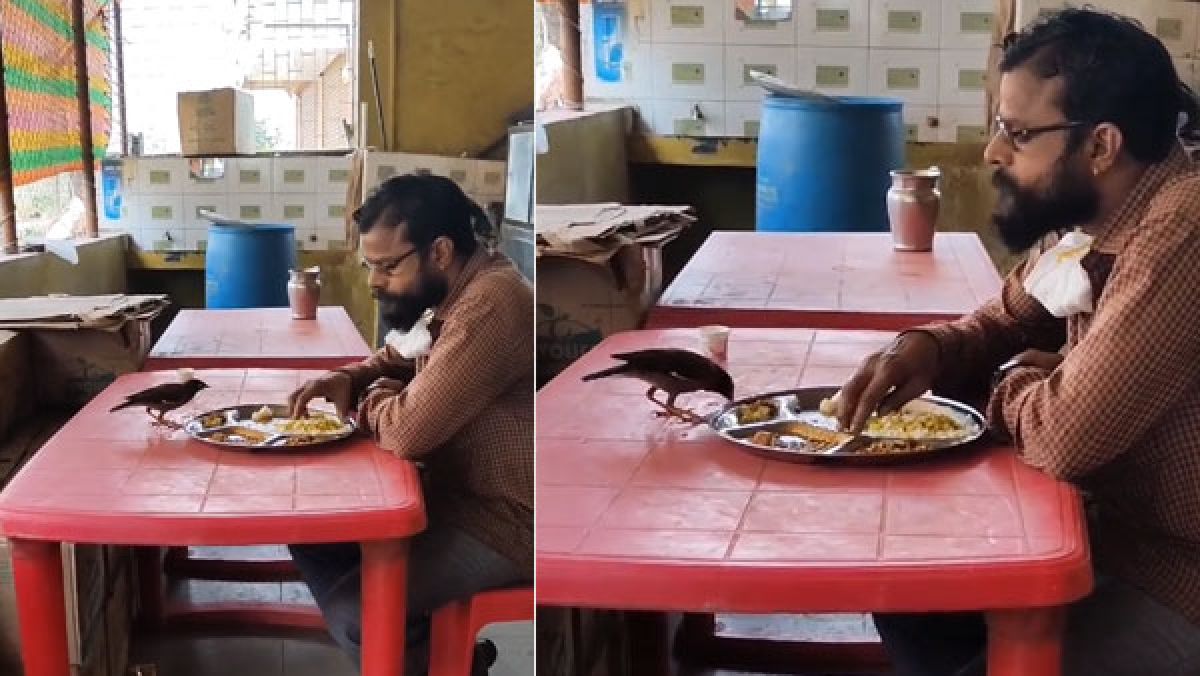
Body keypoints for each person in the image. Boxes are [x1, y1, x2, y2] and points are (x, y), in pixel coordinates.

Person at [832, 9, 1200, 676]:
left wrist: (1011, 384)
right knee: (906, 598)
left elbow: (1065, 435)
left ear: (1100, 146)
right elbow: (1000, 320)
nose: (993, 152)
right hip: (1106, 535)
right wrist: (931, 349)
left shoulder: (1182, 228)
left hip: (1178, 575)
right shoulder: (1098, 217)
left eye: (1017, 132)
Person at [286, 173, 533, 675]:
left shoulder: (489, 303)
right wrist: (351, 376)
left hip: (504, 521)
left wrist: (372, 397)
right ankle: (441, 657)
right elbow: (403, 354)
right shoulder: (451, 294)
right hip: (450, 495)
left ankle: (431, 657)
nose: (375, 282)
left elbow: (405, 431)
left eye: (387, 267)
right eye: (370, 266)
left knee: (356, 615)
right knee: (309, 531)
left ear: (439, 251)